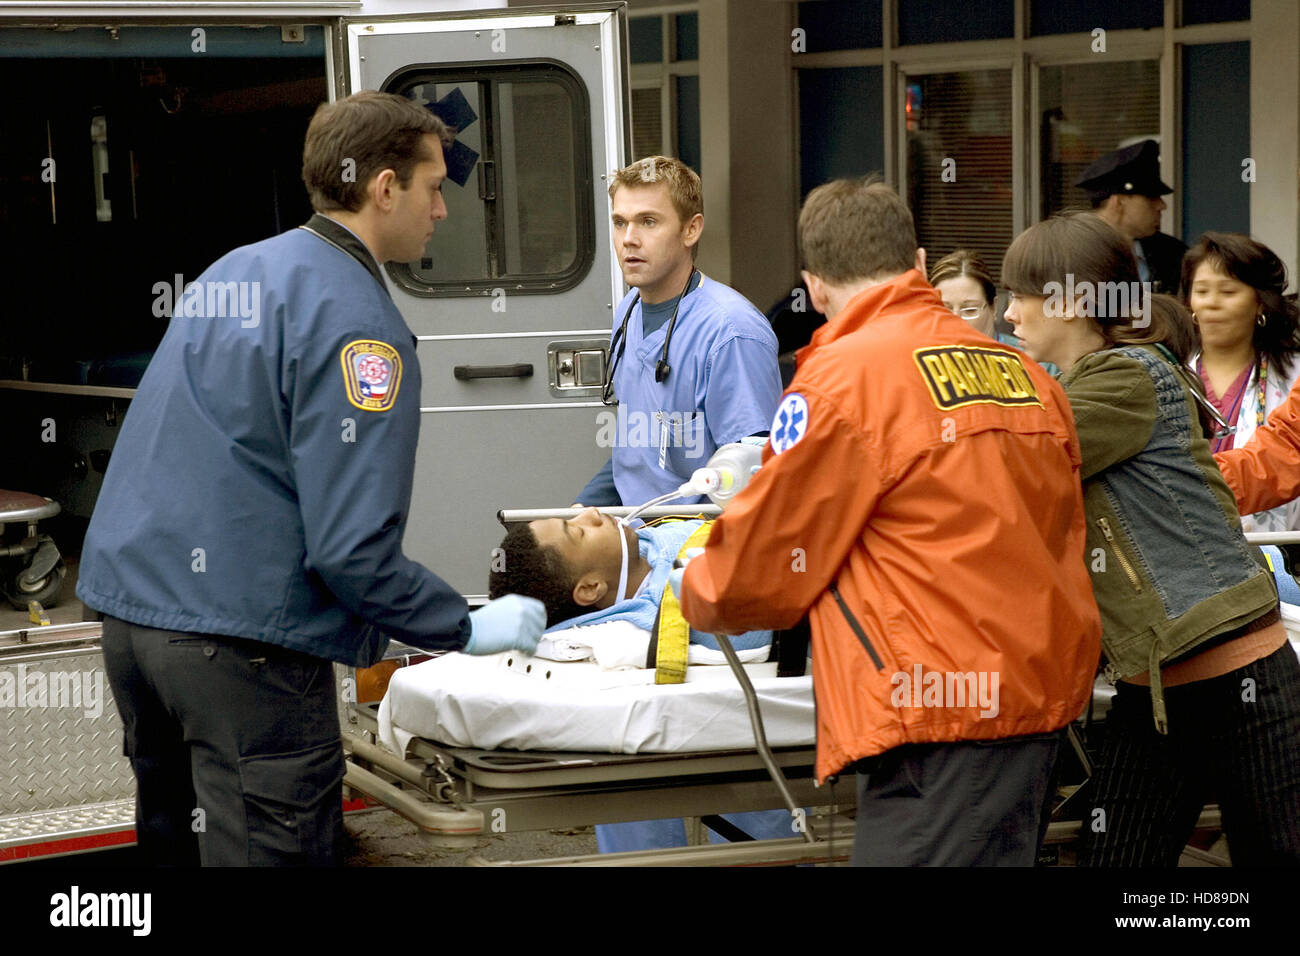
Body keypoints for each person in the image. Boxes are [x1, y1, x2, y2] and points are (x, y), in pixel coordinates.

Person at [76, 92, 545, 866]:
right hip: (242, 651)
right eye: (434, 187)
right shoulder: (362, 324)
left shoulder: (239, 270)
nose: (442, 211)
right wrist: (460, 626)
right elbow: (350, 551)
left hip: (134, 626)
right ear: (384, 187)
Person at [676, 176, 1103, 867]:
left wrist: (693, 586)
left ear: (813, 288)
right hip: (1031, 699)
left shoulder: (845, 380)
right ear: (918, 259)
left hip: (938, 714)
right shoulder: (1026, 375)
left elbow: (768, 561)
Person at [1001, 212, 1300, 866]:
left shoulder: (1127, 378)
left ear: (1074, 301)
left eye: (1020, 293)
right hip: (1155, 690)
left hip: (1237, 678)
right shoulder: (1075, 386)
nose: (1009, 312)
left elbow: (1007, 457)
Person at [490, 509, 787, 851]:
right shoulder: (665, 615)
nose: (592, 513)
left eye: (574, 519)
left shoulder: (647, 541)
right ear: (589, 588)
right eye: (579, 532)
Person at [575, 157, 782, 508]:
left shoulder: (731, 333)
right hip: (637, 525)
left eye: (648, 222)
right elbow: (637, 455)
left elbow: (755, 480)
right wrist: (579, 511)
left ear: (691, 229)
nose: (629, 239)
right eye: (619, 222)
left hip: (698, 538)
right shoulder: (628, 314)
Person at [1183, 232, 1300, 532]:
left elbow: (1287, 451)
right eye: (1202, 291)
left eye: (1228, 291)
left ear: (1260, 303)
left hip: (1280, 560)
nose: (1211, 303)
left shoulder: (1294, 374)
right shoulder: (1165, 373)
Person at [1076, 139, 1186, 295]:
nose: (1162, 205)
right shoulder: (1071, 253)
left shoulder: (1171, 254)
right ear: (1119, 202)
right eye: (1151, 197)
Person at [927, 249, 1017, 345]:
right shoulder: (915, 356)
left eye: (970, 310)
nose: (956, 321)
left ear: (993, 308)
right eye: (944, 310)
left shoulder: (1023, 357)